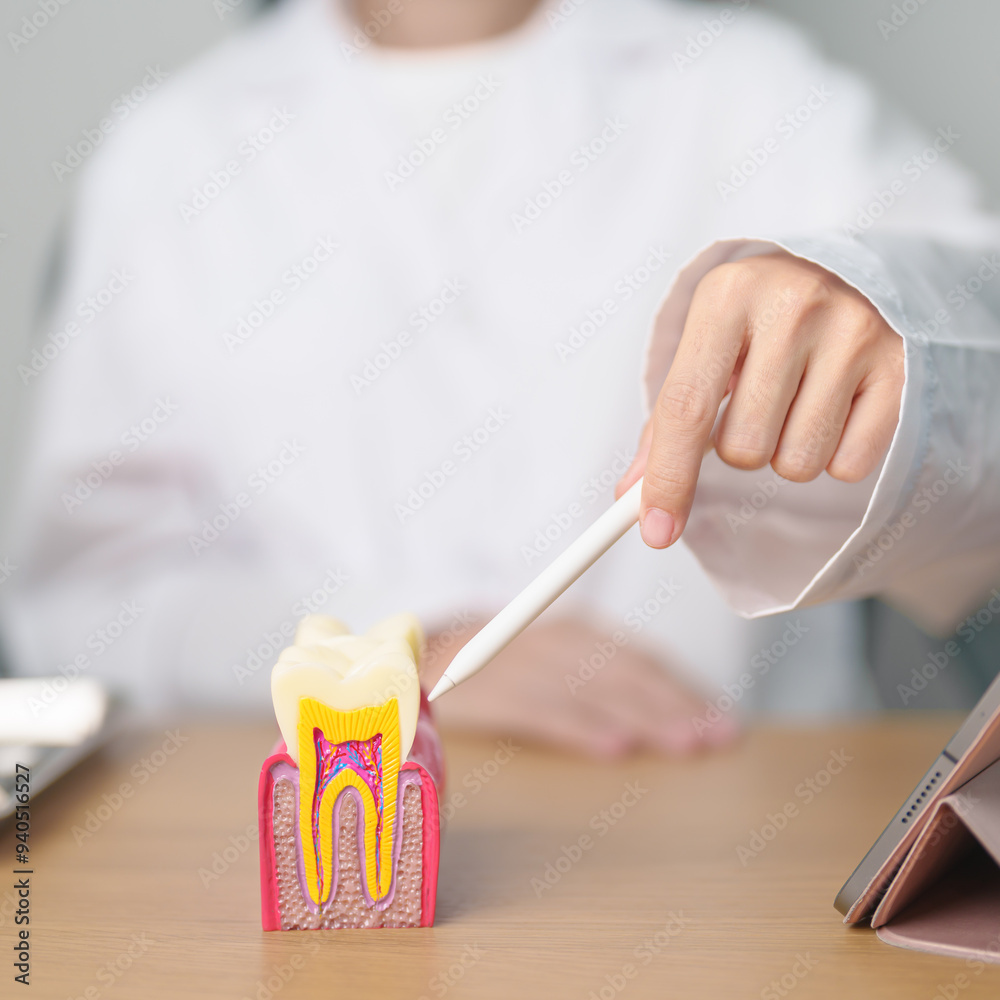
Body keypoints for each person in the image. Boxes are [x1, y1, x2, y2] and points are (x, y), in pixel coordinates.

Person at [3, 0, 999, 756]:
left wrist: (893, 320)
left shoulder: (760, 97)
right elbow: (87, 595)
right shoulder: (169, 151)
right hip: (298, 851)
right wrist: (392, 657)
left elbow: (977, 385)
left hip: (724, 825)